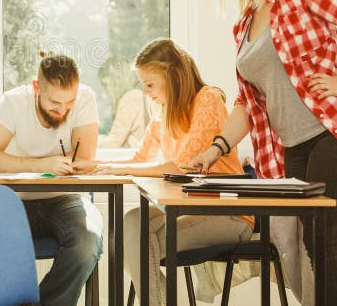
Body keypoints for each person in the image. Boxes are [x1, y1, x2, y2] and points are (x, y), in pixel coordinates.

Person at [189, 0, 337, 306]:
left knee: (323, 240)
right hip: (293, 146)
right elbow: (247, 101)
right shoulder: (243, 25)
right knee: (327, 241)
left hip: (332, 131)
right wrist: (216, 147)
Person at [77, 39, 252, 305]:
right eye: (143, 85)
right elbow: (140, 157)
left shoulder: (208, 99)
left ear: (173, 76)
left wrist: (117, 168)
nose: (146, 92)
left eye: (150, 84)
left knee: (135, 244)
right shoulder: (164, 112)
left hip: (228, 214)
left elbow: (182, 165)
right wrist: (95, 163)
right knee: (130, 225)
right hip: (187, 209)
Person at [0, 52, 103, 306]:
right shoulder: (13, 102)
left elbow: (84, 159)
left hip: (65, 200)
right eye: (54, 102)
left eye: (69, 102)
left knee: (87, 242)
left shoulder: (85, 98)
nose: (63, 110)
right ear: (36, 88)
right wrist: (42, 165)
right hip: (16, 202)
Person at [98, 55, 152, 148]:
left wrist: (89, 143)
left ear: (114, 81)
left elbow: (114, 142)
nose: (105, 90)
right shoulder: (140, 95)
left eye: (105, 84)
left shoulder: (130, 99)